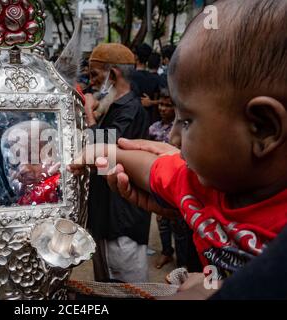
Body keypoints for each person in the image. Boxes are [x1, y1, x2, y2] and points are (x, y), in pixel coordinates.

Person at [71, 0, 287, 291]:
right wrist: (102, 152)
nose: (172, 139)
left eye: (186, 121)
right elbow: (151, 166)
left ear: (263, 128)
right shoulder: (200, 182)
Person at [84, 43, 151, 283]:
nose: (90, 82)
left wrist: (88, 114)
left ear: (113, 74)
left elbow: (104, 158)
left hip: (122, 222)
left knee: (126, 289)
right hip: (105, 218)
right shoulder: (113, 108)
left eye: (95, 75)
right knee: (105, 288)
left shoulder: (130, 110)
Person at [148, 89, 201, 271]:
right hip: (159, 183)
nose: (162, 109)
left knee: (180, 229)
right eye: (161, 104)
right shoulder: (153, 128)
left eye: (168, 105)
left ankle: (183, 263)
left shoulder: (182, 130)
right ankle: (166, 252)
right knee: (163, 223)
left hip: (175, 185)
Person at [131, 44, 161, 124]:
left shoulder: (128, 77)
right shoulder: (155, 78)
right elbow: (163, 99)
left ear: (136, 57)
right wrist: (151, 102)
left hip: (130, 118)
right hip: (148, 120)